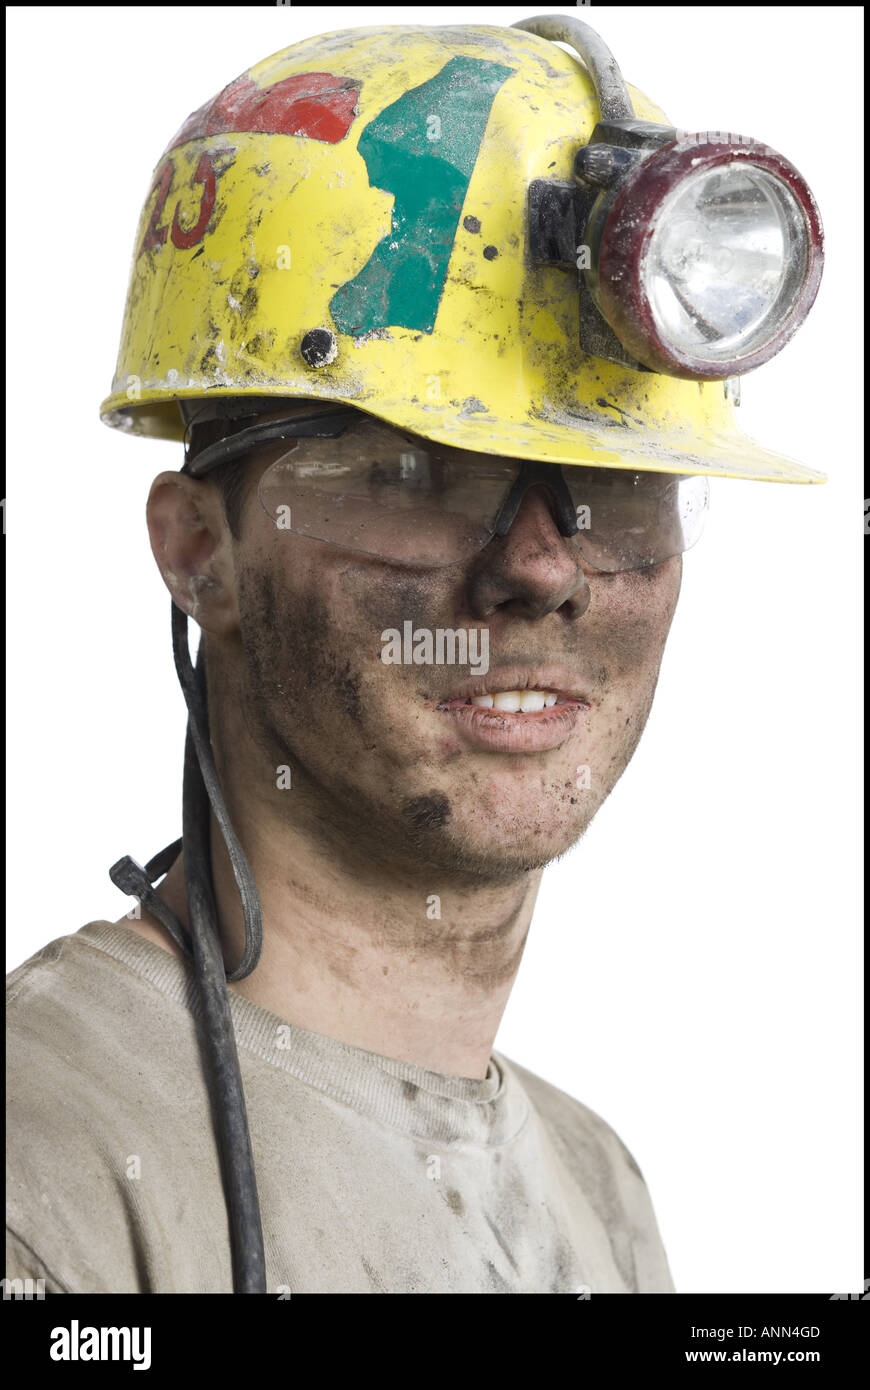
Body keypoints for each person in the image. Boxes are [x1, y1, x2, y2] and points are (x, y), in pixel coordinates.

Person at [5, 14, 823, 1294]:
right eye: (414, 473)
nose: (543, 567)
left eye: (612, 485)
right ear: (198, 549)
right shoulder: (46, 1174)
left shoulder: (597, 1193)